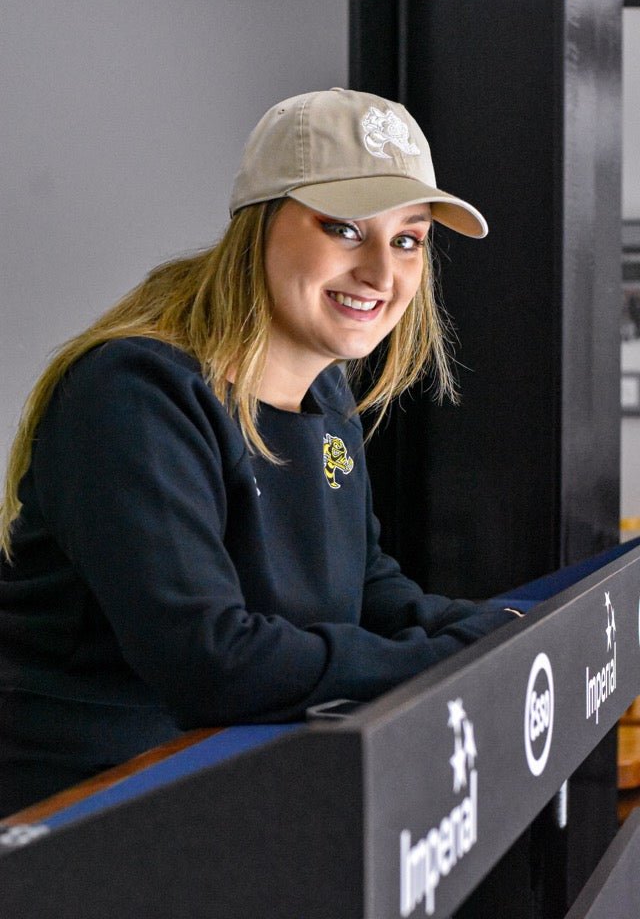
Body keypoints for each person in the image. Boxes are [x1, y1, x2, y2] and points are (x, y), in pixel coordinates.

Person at [0, 88, 614, 817]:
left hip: (226, 785)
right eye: (344, 229)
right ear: (259, 224)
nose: (384, 276)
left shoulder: (325, 399)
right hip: (77, 813)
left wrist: (487, 634)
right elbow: (209, 661)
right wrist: (450, 653)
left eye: (408, 239)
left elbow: (365, 585)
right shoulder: (135, 394)